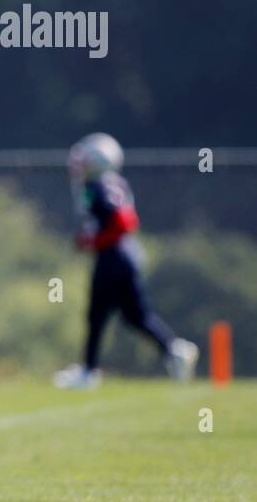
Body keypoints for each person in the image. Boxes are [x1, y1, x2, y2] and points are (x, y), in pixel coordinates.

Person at [54, 132, 198, 389]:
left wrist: (94, 242)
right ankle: (174, 350)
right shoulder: (112, 183)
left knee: (97, 315)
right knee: (135, 315)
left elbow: (124, 220)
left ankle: (88, 372)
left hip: (113, 258)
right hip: (125, 256)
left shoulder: (98, 186)